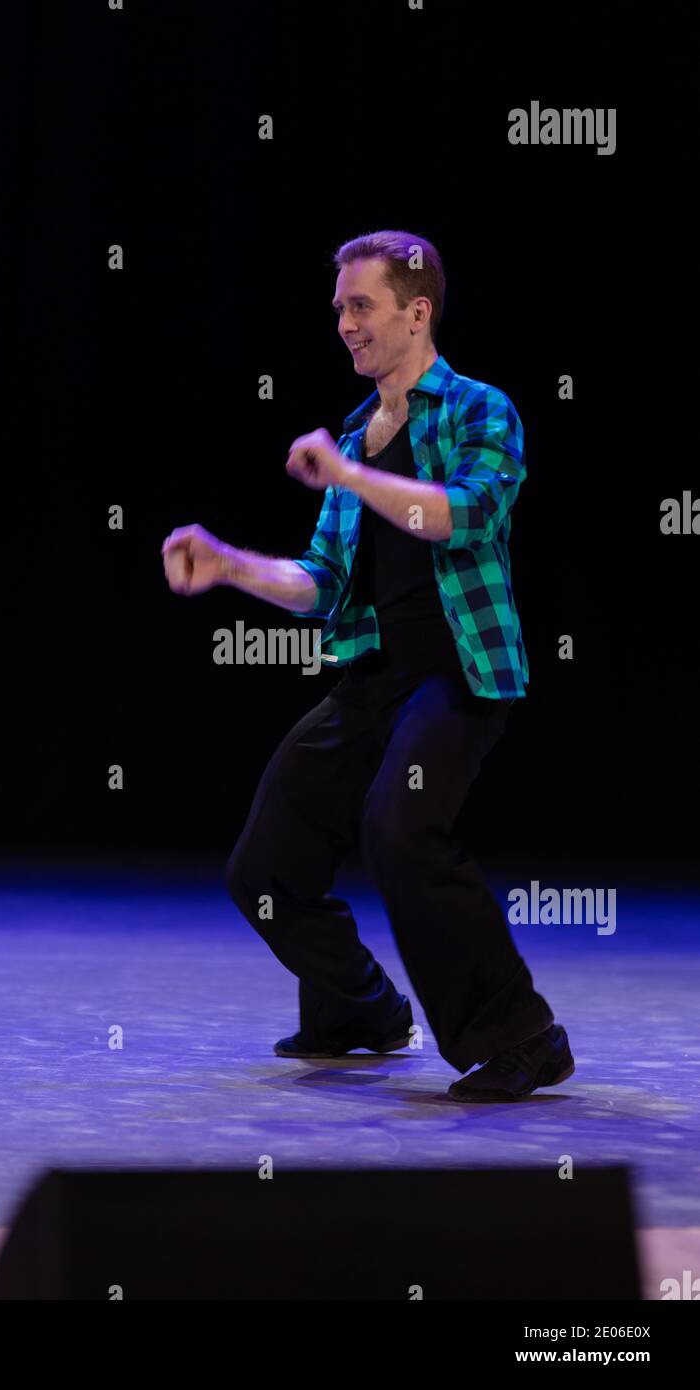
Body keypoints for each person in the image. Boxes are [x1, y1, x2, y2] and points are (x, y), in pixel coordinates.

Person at [161, 229, 573, 1101]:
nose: (345, 324)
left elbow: (457, 516)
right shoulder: (354, 431)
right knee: (263, 865)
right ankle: (361, 1009)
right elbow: (322, 583)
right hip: (374, 678)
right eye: (339, 308)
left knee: (401, 828)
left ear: (416, 312)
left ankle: (521, 1036)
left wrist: (350, 473)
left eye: (362, 306)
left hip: (458, 674)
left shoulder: (479, 410)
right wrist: (231, 565)